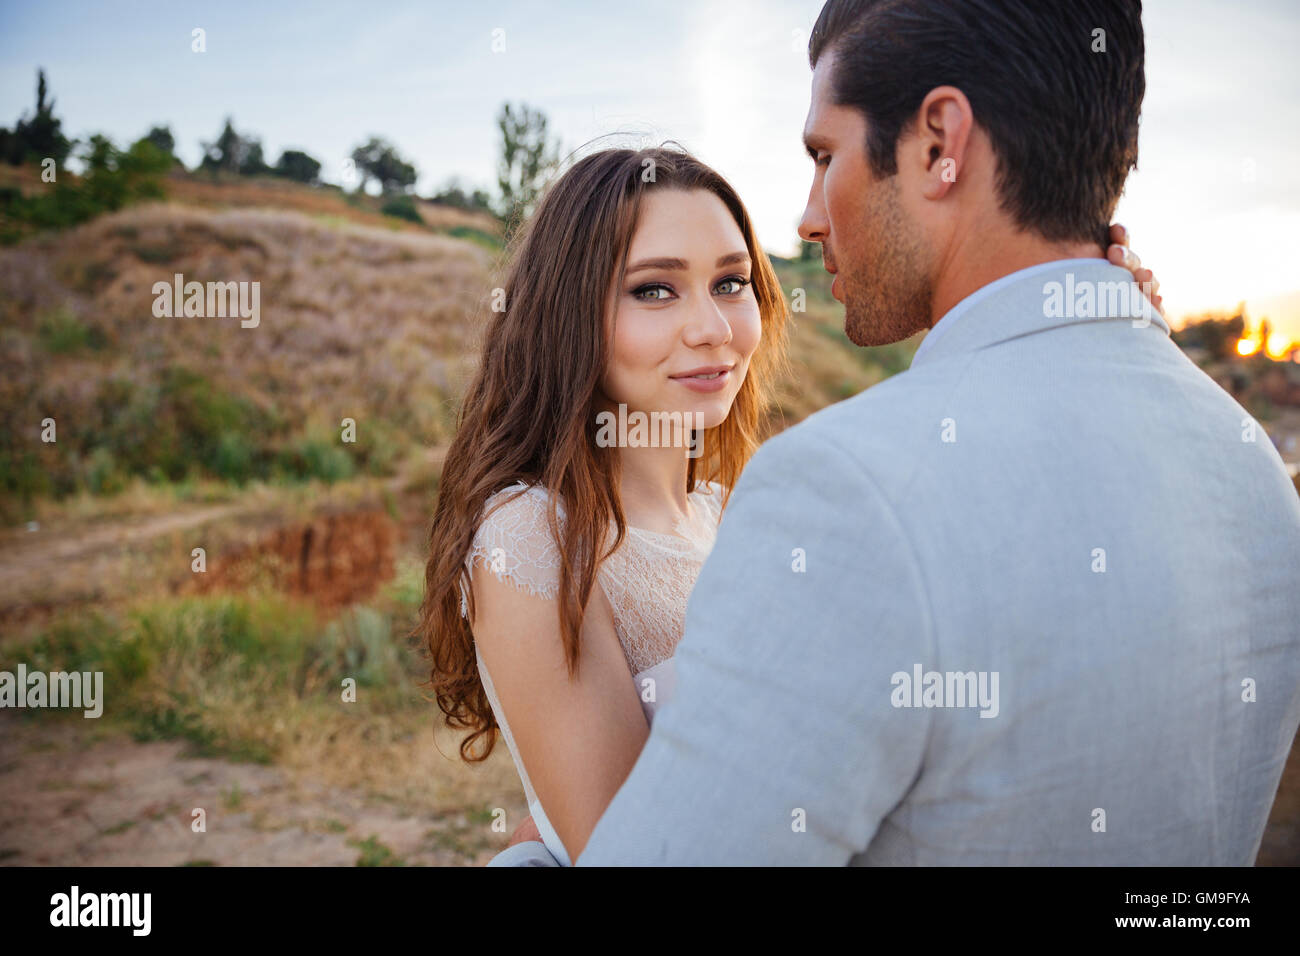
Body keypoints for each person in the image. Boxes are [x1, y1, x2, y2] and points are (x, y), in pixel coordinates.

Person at [574, 0, 1300, 865]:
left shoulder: (844, 491)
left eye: (824, 155)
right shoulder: (1250, 465)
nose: (809, 217)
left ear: (938, 145)